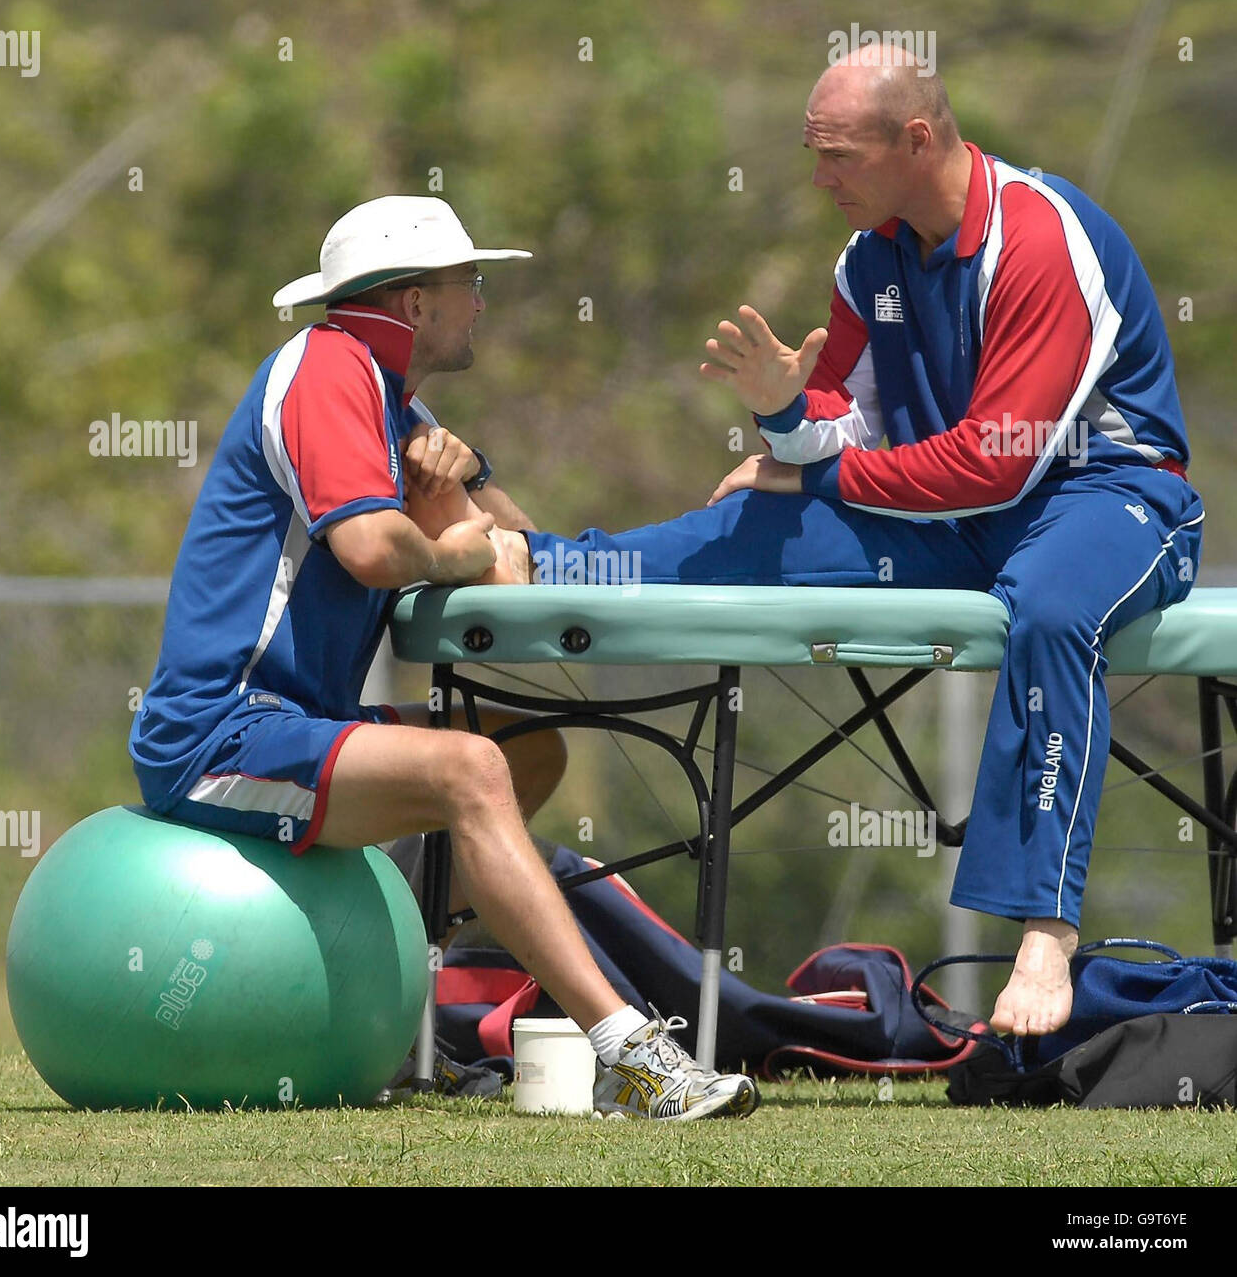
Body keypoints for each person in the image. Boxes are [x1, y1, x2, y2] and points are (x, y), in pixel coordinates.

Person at [490, 51, 1204, 1039]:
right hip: (959, 512)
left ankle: (1046, 929)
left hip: (1108, 495)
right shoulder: (869, 259)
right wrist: (783, 417)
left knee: (1046, 604)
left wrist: (811, 469)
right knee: (753, 519)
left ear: (917, 139)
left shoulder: (1039, 240)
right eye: (811, 154)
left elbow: (991, 464)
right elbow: (842, 428)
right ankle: (539, 558)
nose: (820, 179)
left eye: (837, 157)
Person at [128, 195, 759, 1120]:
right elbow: (379, 552)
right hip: (217, 736)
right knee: (471, 767)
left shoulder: (398, 404)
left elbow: (523, 552)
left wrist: (464, 486)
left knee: (530, 750)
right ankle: (628, 1050)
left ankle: (396, 1028)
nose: (483, 301)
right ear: (415, 304)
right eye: (472, 282)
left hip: (299, 729)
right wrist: (455, 545)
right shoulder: (325, 370)